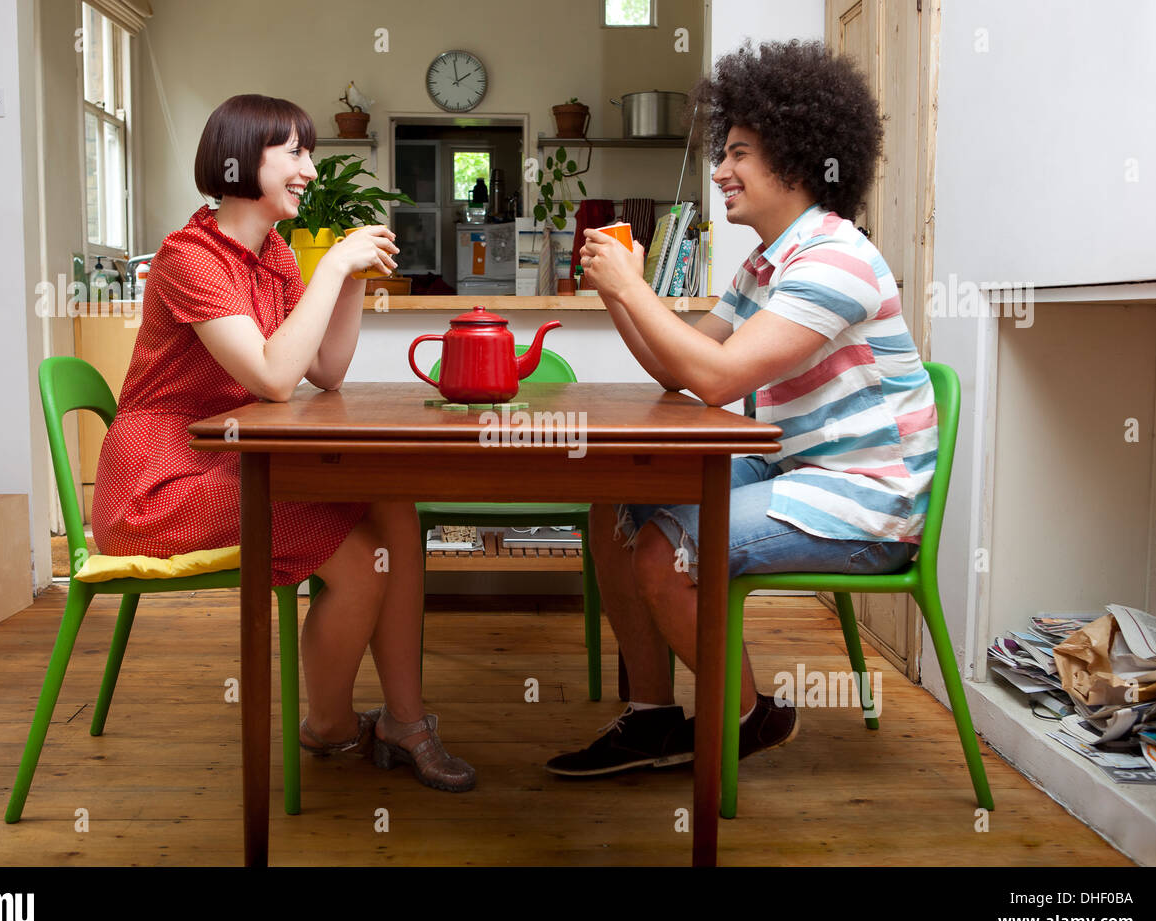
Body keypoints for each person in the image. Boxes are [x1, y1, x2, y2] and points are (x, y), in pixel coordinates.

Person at [547, 41, 936, 776]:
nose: (721, 171)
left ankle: (750, 715)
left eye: (739, 154)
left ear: (795, 159)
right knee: (616, 507)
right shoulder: (765, 263)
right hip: (798, 471)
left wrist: (634, 290)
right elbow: (683, 369)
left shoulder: (834, 260)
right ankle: (655, 718)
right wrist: (618, 293)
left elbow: (719, 381)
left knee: (663, 548)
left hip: (865, 502)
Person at [92, 94, 473, 792]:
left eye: (309, 151)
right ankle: (329, 727)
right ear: (240, 160)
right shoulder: (189, 257)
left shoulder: (273, 256)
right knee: (362, 563)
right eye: (293, 151)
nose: (309, 167)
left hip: (224, 462)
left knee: (393, 500)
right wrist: (330, 267)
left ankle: (405, 720)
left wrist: (351, 280)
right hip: (157, 485)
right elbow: (273, 379)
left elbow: (323, 373)